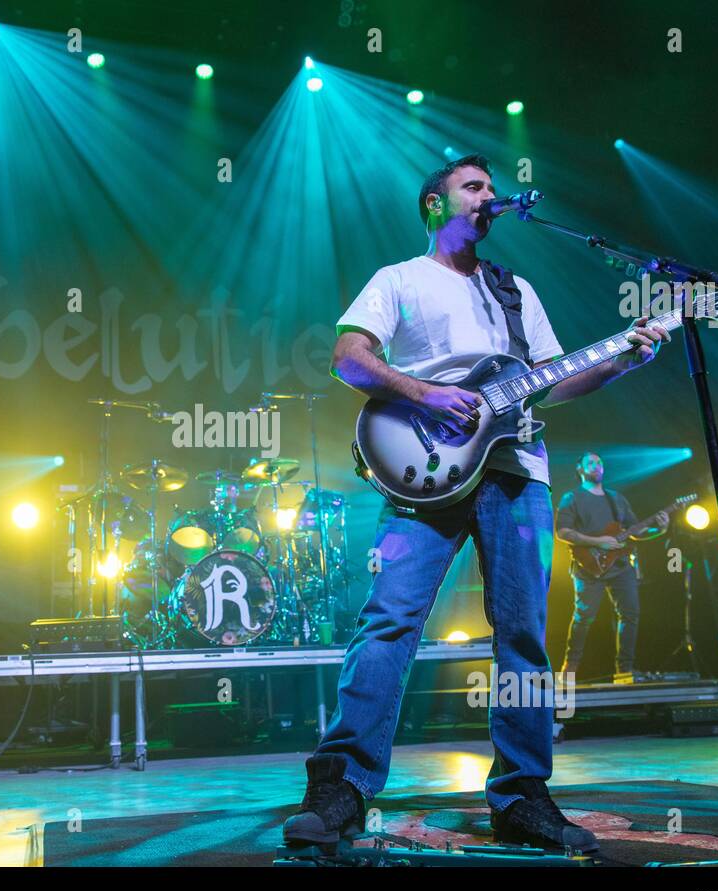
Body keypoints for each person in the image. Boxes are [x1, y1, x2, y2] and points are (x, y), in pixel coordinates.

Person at [282, 154, 670, 853]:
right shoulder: (398, 279)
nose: (490, 196)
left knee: (522, 636)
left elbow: (550, 382)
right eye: (474, 187)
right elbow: (348, 357)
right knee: (389, 622)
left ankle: (522, 796)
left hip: (518, 472)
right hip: (419, 471)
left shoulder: (514, 290)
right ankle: (341, 786)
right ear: (434, 205)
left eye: (492, 187)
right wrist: (428, 394)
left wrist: (621, 360)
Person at [554, 452, 668, 680]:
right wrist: (598, 542)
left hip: (621, 566)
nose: (597, 466)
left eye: (600, 462)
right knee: (583, 618)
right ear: (580, 469)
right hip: (588, 566)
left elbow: (636, 532)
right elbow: (562, 532)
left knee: (630, 614)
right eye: (591, 462)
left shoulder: (616, 499)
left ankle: (625, 670)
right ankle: (570, 669)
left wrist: (661, 529)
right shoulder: (572, 497)